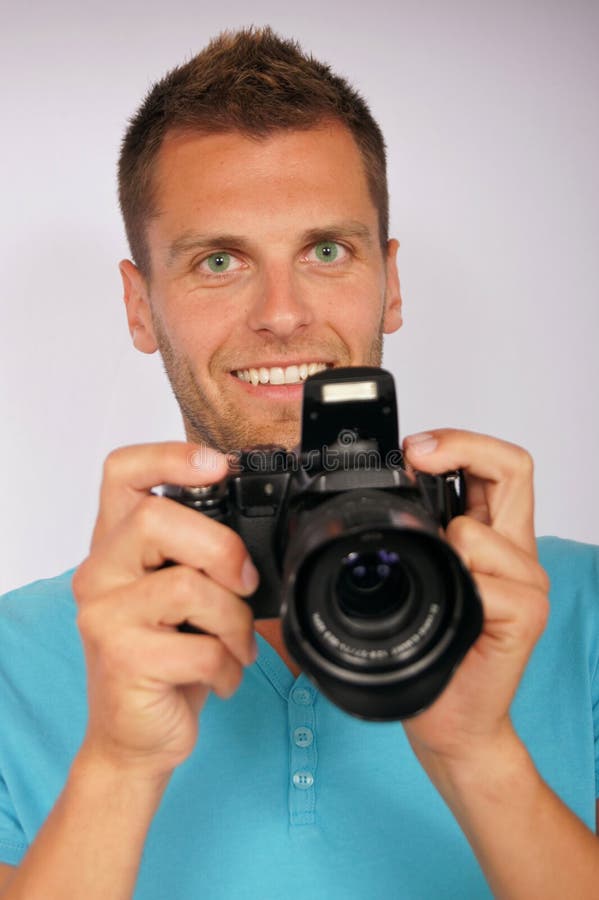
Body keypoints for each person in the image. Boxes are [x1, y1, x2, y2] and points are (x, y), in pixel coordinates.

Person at [0, 26, 598, 899]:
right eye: (218, 260)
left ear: (389, 284)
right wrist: (118, 767)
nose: (281, 315)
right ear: (140, 306)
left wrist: (479, 754)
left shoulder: (577, 619)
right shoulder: (16, 664)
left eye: (326, 251)